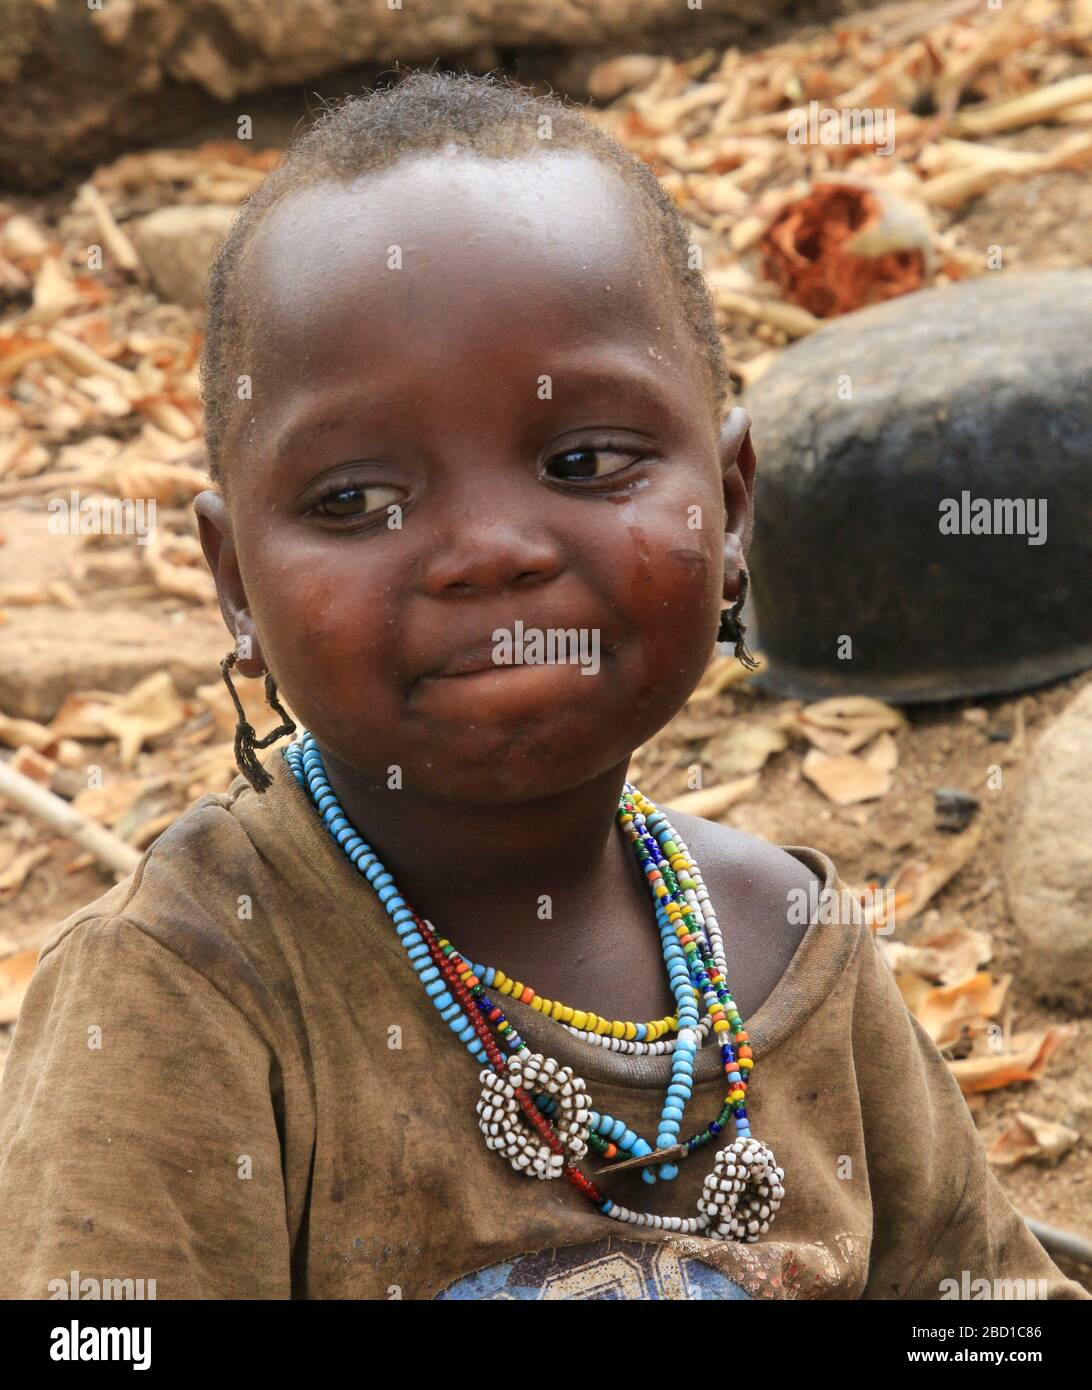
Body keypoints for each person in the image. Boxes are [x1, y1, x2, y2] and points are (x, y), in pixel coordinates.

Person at [0, 72, 1085, 1301]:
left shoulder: (791, 948)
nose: (489, 550)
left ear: (729, 512)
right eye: (357, 500)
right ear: (235, 582)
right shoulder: (196, 985)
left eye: (582, 460)